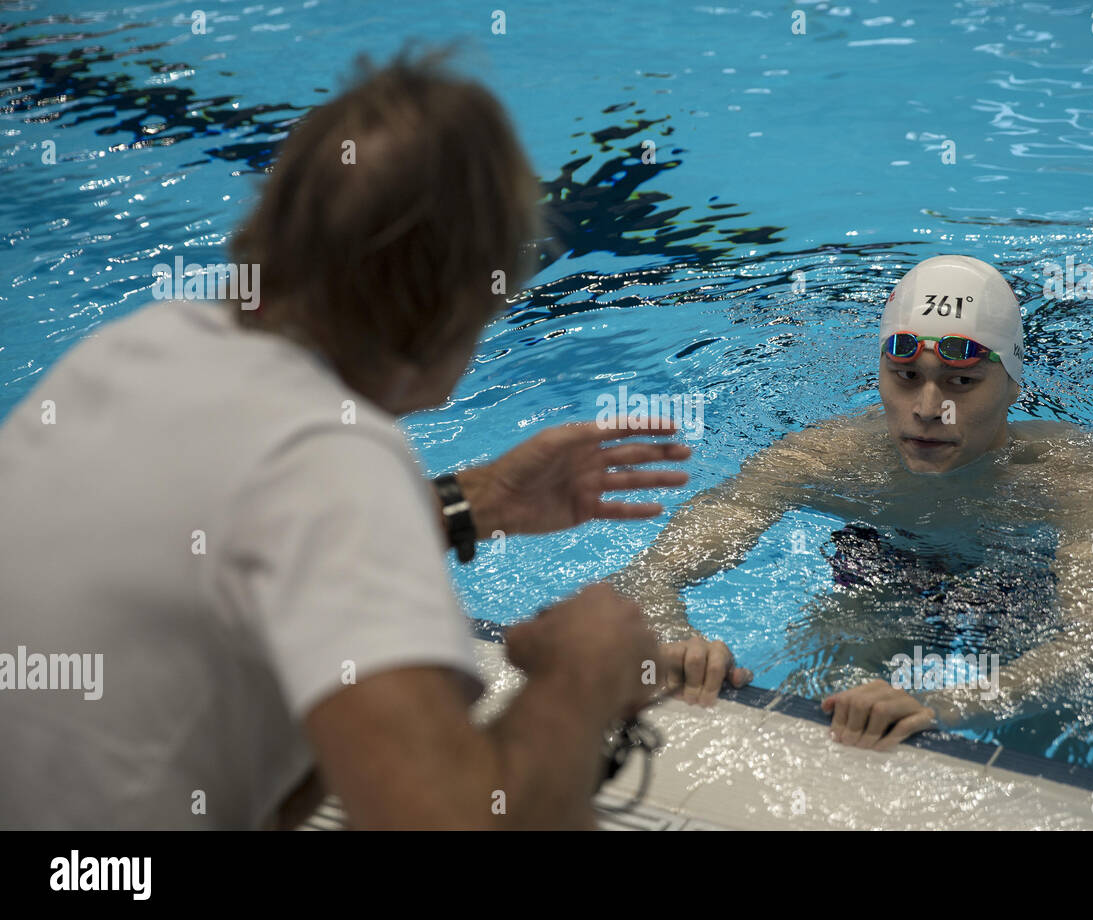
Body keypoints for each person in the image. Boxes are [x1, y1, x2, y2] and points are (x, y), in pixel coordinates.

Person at [0, 49, 694, 830]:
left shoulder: (139, 346)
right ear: (466, 301)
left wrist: (471, 504)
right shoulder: (332, 460)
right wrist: (583, 672)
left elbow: (250, 549)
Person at [608, 255, 1093, 759]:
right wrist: (674, 638)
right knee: (823, 700)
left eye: (961, 382)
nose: (927, 410)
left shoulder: (1077, 478)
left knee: (1051, 733)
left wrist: (941, 707)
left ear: (1013, 384)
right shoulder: (824, 459)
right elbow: (648, 575)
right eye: (906, 378)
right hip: (888, 572)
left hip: (1022, 585)